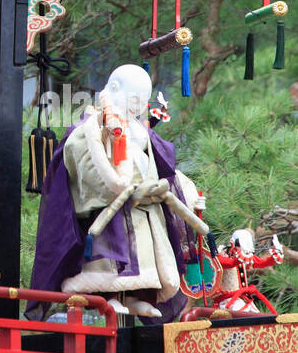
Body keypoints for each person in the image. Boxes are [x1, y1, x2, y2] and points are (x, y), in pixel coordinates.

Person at [30, 64, 205, 320]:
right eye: (135, 99)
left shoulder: (138, 128)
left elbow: (163, 168)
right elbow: (81, 160)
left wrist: (174, 190)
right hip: (111, 207)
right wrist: (115, 185)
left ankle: (138, 296)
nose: (138, 106)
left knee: (146, 254)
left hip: (143, 203)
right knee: (107, 261)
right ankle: (109, 296)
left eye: (143, 101)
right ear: (114, 88)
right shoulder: (91, 125)